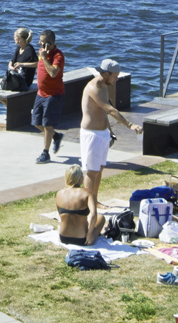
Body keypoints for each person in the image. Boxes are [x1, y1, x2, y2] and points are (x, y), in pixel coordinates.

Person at [77, 60, 138, 204]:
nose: (116, 79)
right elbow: (110, 110)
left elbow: (103, 112)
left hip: (103, 133)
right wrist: (130, 125)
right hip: (91, 134)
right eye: (115, 76)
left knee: (99, 169)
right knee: (91, 172)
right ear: (106, 74)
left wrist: (109, 131)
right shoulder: (93, 88)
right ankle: (88, 205)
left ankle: (95, 201)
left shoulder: (104, 86)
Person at [31, 30, 67, 162]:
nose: (39, 43)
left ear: (49, 43)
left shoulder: (58, 56)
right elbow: (39, 65)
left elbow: (53, 73)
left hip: (53, 95)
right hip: (40, 93)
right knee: (36, 122)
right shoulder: (41, 52)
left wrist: (45, 58)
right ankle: (56, 136)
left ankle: (45, 153)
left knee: (47, 125)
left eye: (42, 42)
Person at [53, 162, 95, 245]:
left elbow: (60, 214)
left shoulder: (59, 193)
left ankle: (59, 229)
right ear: (79, 179)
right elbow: (93, 214)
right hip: (82, 239)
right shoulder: (87, 193)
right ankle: (94, 234)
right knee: (101, 219)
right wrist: (89, 234)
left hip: (63, 238)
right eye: (82, 176)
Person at [3, 27, 37, 93]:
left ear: (20, 38)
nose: (14, 38)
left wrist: (22, 64)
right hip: (16, 78)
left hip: (25, 81)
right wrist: (12, 68)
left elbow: (37, 64)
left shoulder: (29, 49)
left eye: (15, 37)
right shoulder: (19, 48)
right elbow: (11, 62)